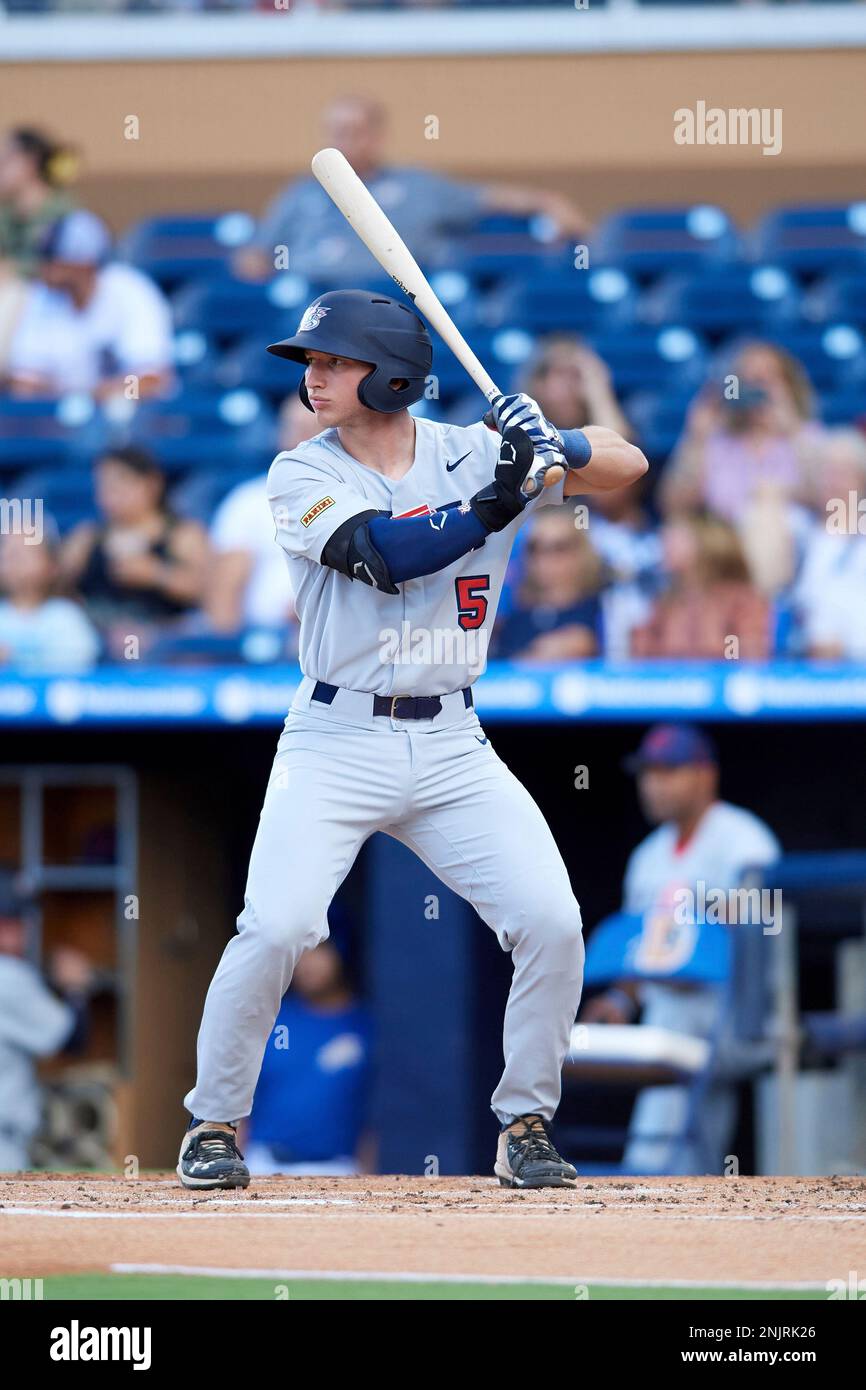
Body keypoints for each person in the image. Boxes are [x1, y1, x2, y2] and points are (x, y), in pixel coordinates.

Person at [178, 287, 647, 1192]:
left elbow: (629, 466)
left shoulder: (473, 451)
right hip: (334, 736)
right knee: (275, 927)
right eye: (312, 361)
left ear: (391, 377)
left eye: (334, 361)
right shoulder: (299, 473)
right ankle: (215, 1122)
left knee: (552, 922)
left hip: (452, 741)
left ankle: (526, 1124)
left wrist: (553, 443)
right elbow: (387, 556)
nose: (313, 375)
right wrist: (500, 499)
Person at [580, 724, 780, 1175]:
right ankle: (675, 1190)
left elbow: (769, 930)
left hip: (741, 1013)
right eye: (648, 773)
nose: (654, 784)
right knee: (662, 1017)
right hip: (672, 1010)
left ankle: (648, 1174)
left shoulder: (746, 839)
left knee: (675, 1017)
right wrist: (619, 999)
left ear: (705, 775)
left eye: (669, 771)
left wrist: (705, 913)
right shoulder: (647, 857)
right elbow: (641, 954)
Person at [234, 94, 589, 282]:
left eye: (352, 133)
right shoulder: (300, 194)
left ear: (376, 137)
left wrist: (547, 201)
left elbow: (485, 199)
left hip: (394, 310)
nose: (341, 143)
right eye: (335, 133)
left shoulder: (418, 187)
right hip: (313, 310)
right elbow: (257, 255)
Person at [3, 210, 173, 399]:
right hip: (61, 422)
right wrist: (80, 399)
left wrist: (104, 396)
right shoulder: (42, 297)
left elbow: (152, 380)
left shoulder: (128, 289)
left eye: (53, 258)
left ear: (84, 261)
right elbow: (24, 381)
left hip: (136, 420)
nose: (45, 267)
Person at [60, 445, 210, 658]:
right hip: (97, 644)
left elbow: (208, 592)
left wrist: (156, 574)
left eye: (120, 484)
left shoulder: (184, 536)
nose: (110, 495)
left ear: (152, 484)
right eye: (103, 487)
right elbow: (56, 592)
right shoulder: (86, 538)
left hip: (166, 644)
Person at [244, 935, 374, 1177]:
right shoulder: (270, 1017)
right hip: (262, 1162)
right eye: (299, 952)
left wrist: (369, 1174)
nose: (307, 963)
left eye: (319, 950)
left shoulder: (365, 1025)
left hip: (338, 1168)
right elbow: (239, 1097)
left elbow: (380, 1113)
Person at [659, 341, 826, 527]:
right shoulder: (717, 440)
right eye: (748, 381)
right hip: (727, 542)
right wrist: (697, 439)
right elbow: (673, 506)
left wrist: (792, 430)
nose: (756, 390)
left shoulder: (808, 437)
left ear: (788, 386)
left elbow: (827, 498)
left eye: (765, 380)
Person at [0, 868, 94, 1172]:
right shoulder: (9, 976)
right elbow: (72, 1039)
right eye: (14, 922)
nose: (22, 932)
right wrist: (76, 988)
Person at [206, 396, 320, 634]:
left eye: (316, 430)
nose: (305, 441)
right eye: (296, 429)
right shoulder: (248, 501)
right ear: (280, 435)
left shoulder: (361, 496)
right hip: (265, 648)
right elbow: (224, 597)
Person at [630, 515, 771, 660]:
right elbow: (643, 660)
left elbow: (744, 656)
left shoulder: (740, 601)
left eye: (677, 537)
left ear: (706, 543)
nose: (665, 542)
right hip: (673, 681)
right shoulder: (665, 603)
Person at [791, 427, 866, 660]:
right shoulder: (799, 532)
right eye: (828, 472)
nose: (835, 482)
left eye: (843, 473)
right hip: (810, 658)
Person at [494, 508, 604, 662]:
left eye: (559, 547)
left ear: (582, 551)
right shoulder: (513, 620)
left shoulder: (604, 610)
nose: (545, 558)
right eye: (535, 548)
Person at [0, 528, 101, 673]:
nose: (14, 561)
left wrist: (14, 658)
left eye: (23, 554)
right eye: (7, 555)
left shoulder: (65, 615)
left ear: (52, 565)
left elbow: (79, 662)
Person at [0, 128, 79, 280]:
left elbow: (73, 269)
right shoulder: (6, 215)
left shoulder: (65, 214)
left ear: (31, 163)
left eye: (7, 159)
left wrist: (15, 270)